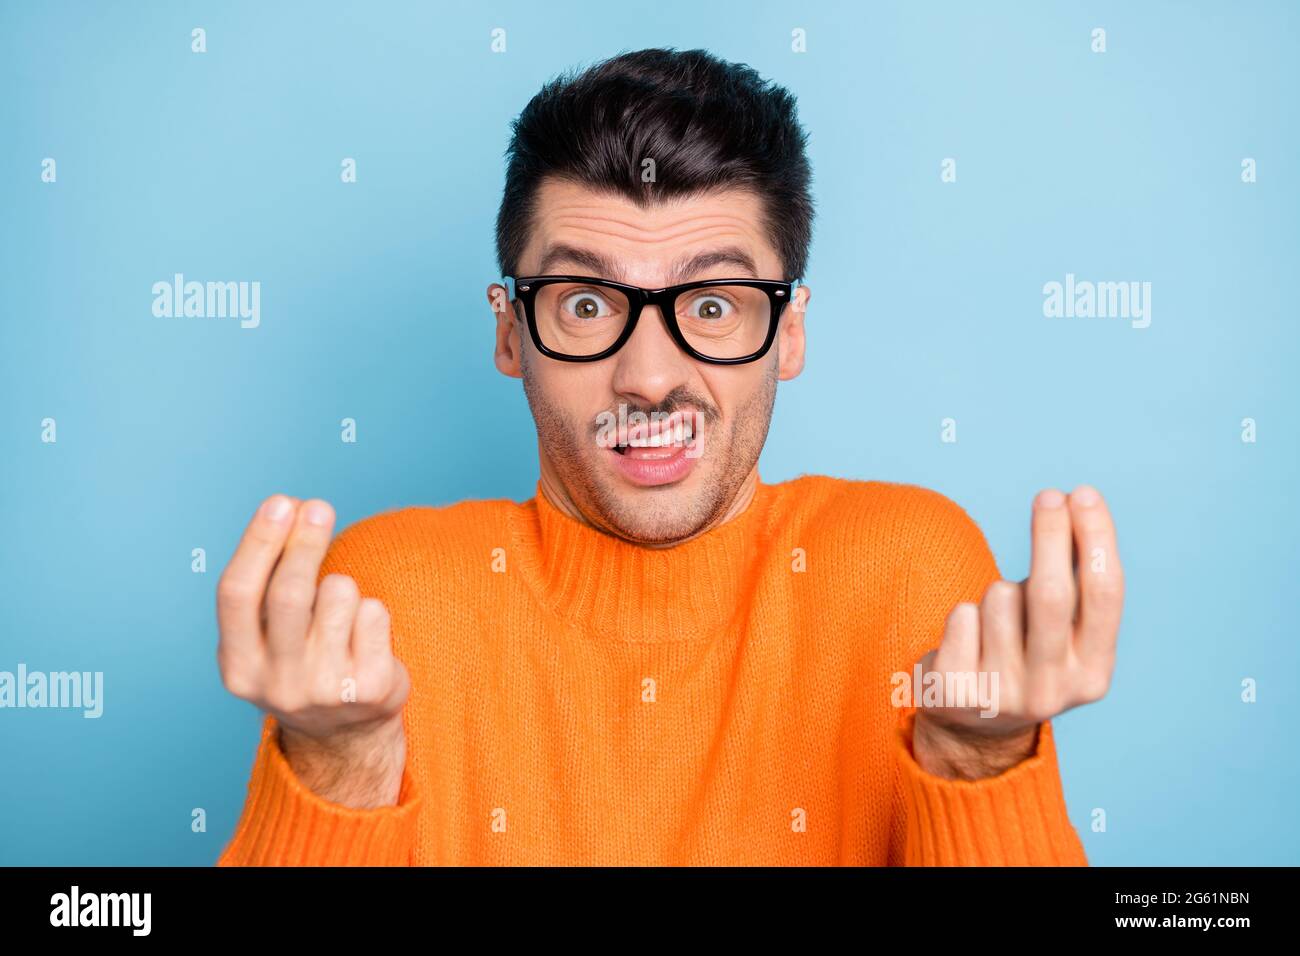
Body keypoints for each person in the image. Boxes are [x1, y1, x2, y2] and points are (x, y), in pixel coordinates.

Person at [216, 48, 1123, 866]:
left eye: (715, 304)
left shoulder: (906, 571)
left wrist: (979, 765)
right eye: (584, 305)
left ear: (790, 333)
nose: (649, 378)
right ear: (509, 331)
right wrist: (338, 769)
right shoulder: (389, 600)